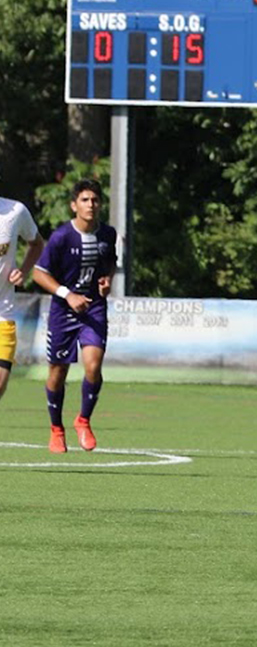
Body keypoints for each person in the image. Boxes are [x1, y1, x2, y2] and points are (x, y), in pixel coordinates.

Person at [30, 179, 116, 454]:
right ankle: (56, 429)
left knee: (93, 366)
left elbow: (109, 263)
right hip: (64, 310)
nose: (91, 204)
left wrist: (107, 280)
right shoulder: (62, 237)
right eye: (85, 200)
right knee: (58, 371)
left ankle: (83, 420)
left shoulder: (107, 234)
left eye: (95, 200)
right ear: (74, 205)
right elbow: (38, 273)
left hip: (93, 307)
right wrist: (67, 294)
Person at [0, 187, 44, 409]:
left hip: (3, 313)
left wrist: (24, 271)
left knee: (0, 385)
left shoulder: (15, 211)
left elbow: (37, 243)